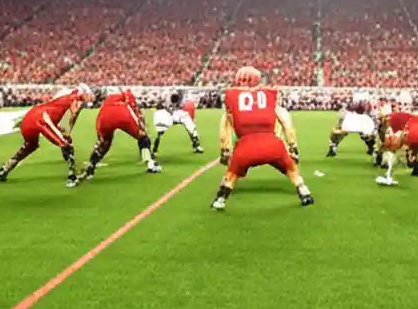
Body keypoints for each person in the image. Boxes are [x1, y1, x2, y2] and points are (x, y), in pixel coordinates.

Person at [212, 66, 313, 211]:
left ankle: (220, 199)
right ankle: (303, 191)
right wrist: (293, 147)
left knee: (232, 173)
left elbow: (225, 127)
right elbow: (286, 124)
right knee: (291, 168)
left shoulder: (231, 96)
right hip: (272, 143)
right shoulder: (269, 95)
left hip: (246, 144)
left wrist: (225, 149)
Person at [0, 85, 93, 184]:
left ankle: (3, 171)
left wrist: (62, 131)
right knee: (66, 144)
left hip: (30, 117)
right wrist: (68, 131)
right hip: (41, 117)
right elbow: (74, 113)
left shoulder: (61, 99)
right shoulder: (75, 98)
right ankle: (72, 175)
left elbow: (53, 121)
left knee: (30, 146)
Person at [79, 87, 161, 182]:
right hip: (122, 113)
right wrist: (141, 123)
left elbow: (99, 125)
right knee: (143, 137)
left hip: (104, 118)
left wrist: (101, 141)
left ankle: (90, 168)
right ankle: (150, 164)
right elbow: (133, 106)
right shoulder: (126, 93)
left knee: (104, 144)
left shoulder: (106, 102)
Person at [375, 92, 418, 186]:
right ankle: (390, 169)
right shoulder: (405, 112)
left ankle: (390, 170)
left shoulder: (398, 111)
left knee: (399, 151)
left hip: (403, 132)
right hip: (401, 132)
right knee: (397, 151)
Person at [327, 89, 377, 158]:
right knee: (338, 132)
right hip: (353, 120)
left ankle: (371, 147)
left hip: (359, 121)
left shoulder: (368, 110)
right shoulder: (349, 112)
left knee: (368, 135)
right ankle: (333, 147)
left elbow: (373, 119)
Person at [152, 91, 203, 155]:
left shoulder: (181, 101)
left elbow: (180, 108)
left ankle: (196, 146)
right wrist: (169, 111)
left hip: (176, 114)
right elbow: (161, 107)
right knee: (160, 131)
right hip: (167, 115)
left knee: (190, 127)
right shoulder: (166, 99)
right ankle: (154, 150)